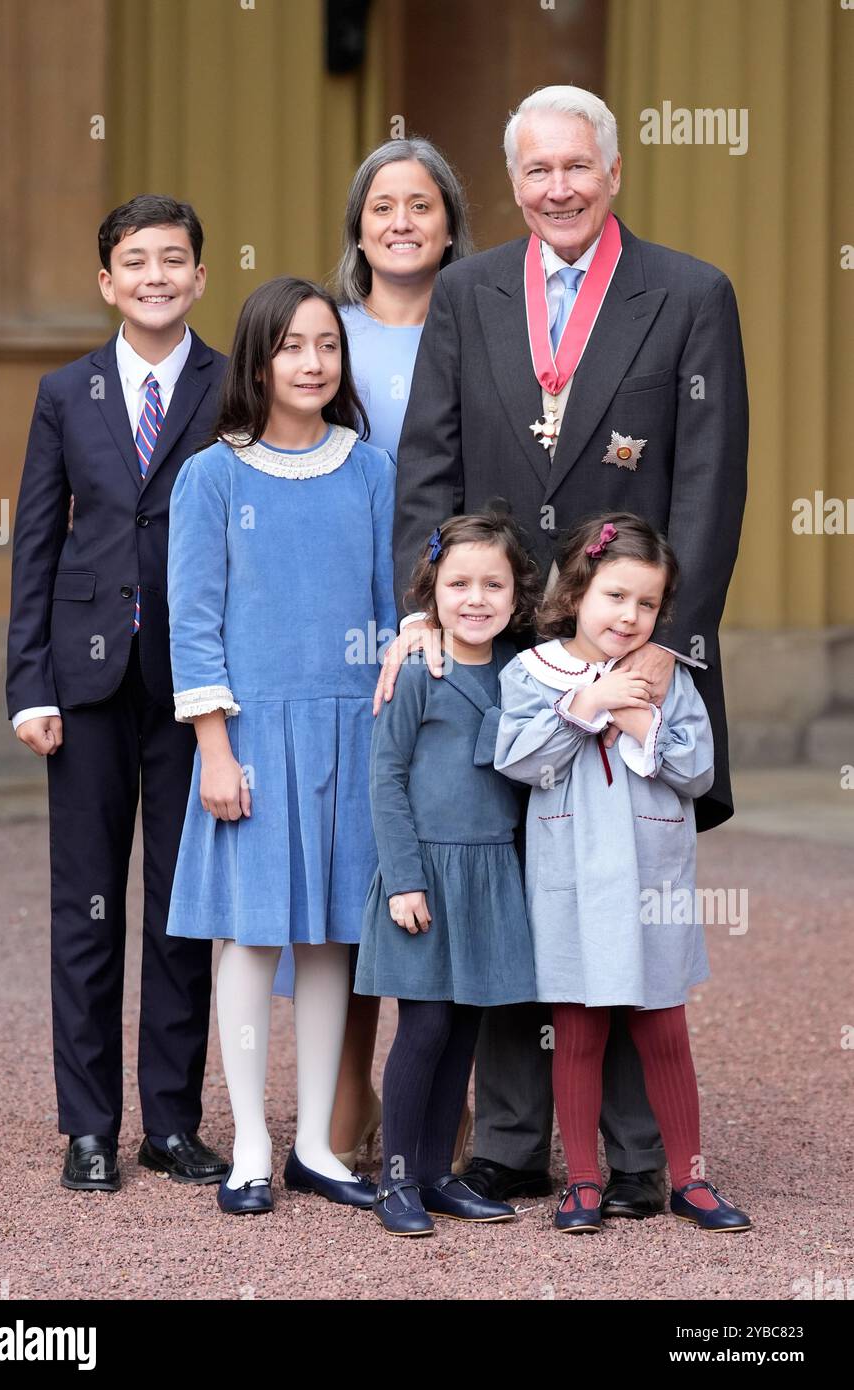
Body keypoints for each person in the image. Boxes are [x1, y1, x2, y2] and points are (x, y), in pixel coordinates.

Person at [378, 84, 748, 1215]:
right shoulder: (468, 293)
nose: (557, 189)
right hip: (499, 657)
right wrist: (426, 611)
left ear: (614, 169)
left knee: (628, 891)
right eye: (536, 171)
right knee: (507, 884)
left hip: (634, 646)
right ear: (514, 181)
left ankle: (636, 1157)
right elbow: (428, 469)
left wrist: (668, 649)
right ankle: (511, 1139)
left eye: (576, 167)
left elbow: (711, 482)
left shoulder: (689, 294)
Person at [6, 195, 229, 1193]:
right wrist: (29, 684)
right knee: (87, 908)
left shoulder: (233, 387)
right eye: (135, 261)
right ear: (107, 281)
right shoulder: (66, 393)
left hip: (194, 689)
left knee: (184, 905)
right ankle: (89, 1124)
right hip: (86, 683)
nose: (154, 276)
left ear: (199, 277)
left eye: (172, 260)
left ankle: (171, 1122)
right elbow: (38, 547)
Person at [165, 276, 395, 1216]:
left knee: (334, 931)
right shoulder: (212, 474)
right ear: (256, 361)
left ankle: (316, 1145)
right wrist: (216, 751)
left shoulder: (369, 469)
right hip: (251, 732)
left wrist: (390, 742)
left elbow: (388, 616)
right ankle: (251, 1145)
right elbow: (194, 621)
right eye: (291, 346)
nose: (311, 363)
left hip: (351, 726)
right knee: (252, 935)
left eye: (327, 347)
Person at [271, 137, 475, 1173]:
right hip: (339, 624)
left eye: (421, 204)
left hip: (450, 621)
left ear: (450, 222)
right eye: (381, 204)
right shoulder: (325, 337)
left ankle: (449, 1112)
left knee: (446, 851)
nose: (401, 220)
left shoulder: (482, 324)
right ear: (358, 225)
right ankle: (338, 1107)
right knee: (356, 863)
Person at [495, 514, 751, 1234]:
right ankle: (580, 1180)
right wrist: (590, 704)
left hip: (650, 884)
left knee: (663, 1030)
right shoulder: (530, 673)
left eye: (645, 603)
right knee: (576, 1033)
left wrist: (644, 724)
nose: (628, 616)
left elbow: (698, 772)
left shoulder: (668, 678)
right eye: (614, 596)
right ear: (577, 591)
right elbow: (518, 760)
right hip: (571, 881)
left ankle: (689, 1180)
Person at [355, 512, 540, 1235]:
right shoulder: (416, 670)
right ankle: (395, 1181)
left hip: (490, 873)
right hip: (426, 874)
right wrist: (403, 879)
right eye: (458, 583)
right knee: (424, 1028)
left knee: (465, 1029)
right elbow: (386, 777)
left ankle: (437, 1173)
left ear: (515, 595)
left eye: (492, 584)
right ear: (430, 592)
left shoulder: (521, 670)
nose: (475, 598)